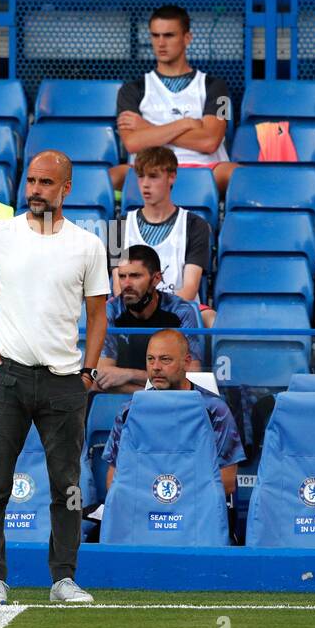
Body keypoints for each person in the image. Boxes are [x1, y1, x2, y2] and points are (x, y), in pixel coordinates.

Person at [0, 150, 109, 605]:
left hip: (64, 382)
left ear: (66, 189)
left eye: (46, 183)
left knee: (68, 488)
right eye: (32, 181)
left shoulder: (88, 245)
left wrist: (90, 369)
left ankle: (64, 579)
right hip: (7, 377)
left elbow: (99, 314)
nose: (36, 189)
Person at [113, 5, 237, 195]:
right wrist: (187, 123)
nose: (161, 43)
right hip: (148, 171)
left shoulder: (217, 87)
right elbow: (132, 143)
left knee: (239, 174)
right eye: (155, 35)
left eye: (169, 35)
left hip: (206, 170)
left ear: (187, 38)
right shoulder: (130, 90)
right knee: (108, 177)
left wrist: (148, 129)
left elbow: (210, 141)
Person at [102, 329, 243, 495]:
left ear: (187, 362)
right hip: (144, 509)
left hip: (196, 511)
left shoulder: (214, 410)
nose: (156, 367)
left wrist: (173, 501)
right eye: (150, 359)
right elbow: (114, 480)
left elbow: (227, 481)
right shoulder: (130, 411)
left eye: (165, 360)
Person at [113, 146, 214, 325]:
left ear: (172, 176)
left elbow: (189, 290)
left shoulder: (196, 225)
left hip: (179, 307)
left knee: (212, 319)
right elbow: (118, 288)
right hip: (133, 307)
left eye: (153, 176)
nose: (145, 184)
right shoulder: (117, 226)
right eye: (141, 176)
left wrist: (154, 308)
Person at [97, 244, 202, 393]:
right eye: (122, 276)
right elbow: (103, 376)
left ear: (156, 278)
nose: (126, 284)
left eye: (135, 276)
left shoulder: (181, 311)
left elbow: (192, 376)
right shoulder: (110, 310)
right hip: (132, 400)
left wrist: (129, 374)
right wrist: (161, 385)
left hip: (172, 402)